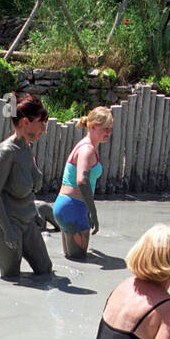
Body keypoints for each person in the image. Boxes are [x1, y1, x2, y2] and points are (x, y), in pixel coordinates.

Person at [0, 94, 52, 279]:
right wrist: (7, 230)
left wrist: (34, 212)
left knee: (45, 269)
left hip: (26, 218)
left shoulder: (26, 148)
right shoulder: (6, 152)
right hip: (5, 220)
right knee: (11, 276)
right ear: (25, 122)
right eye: (41, 123)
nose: (44, 129)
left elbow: (29, 189)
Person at [53, 107, 113, 260]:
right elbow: (82, 180)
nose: (108, 133)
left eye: (110, 129)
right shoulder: (87, 150)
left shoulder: (85, 146)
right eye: (105, 128)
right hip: (74, 208)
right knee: (79, 259)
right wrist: (93, 212)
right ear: (92, 127)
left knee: (71, 259)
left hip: (66, 206)